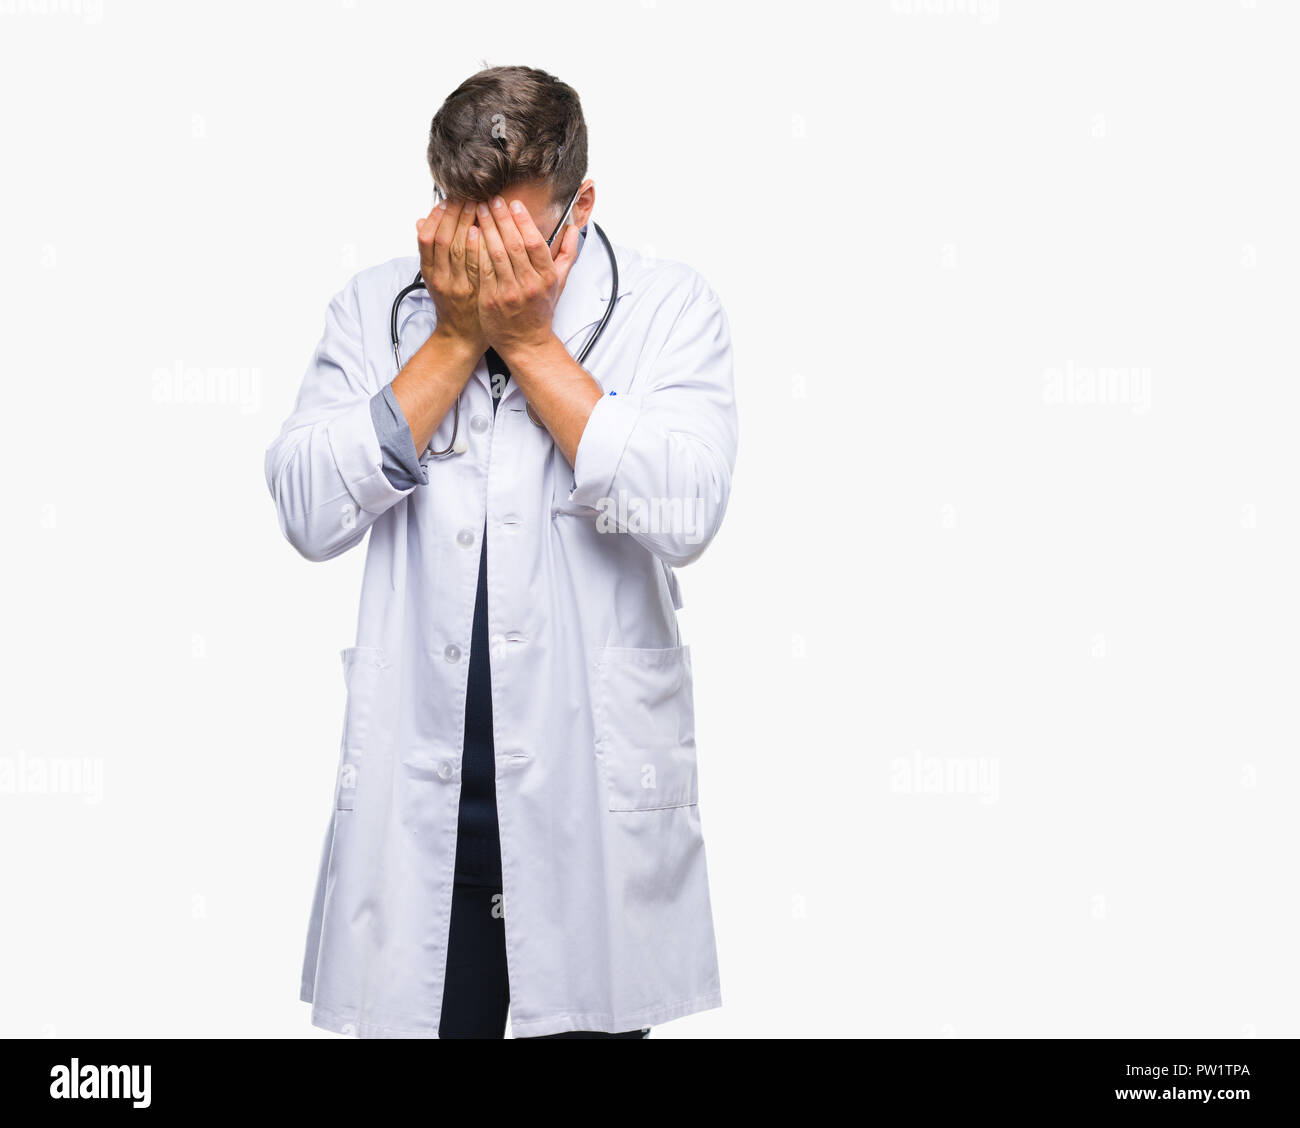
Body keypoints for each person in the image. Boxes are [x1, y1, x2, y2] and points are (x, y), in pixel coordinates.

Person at [265, 65, 738, 1039]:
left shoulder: (665, 310)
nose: (490, 271)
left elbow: (687, 506)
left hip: (589, 841)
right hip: (417, 839)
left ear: (581, 207)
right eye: (466, 234)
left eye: (519, 240)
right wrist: (448, 341)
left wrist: (528, 344)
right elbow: (308, 507)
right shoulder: (374, 312)